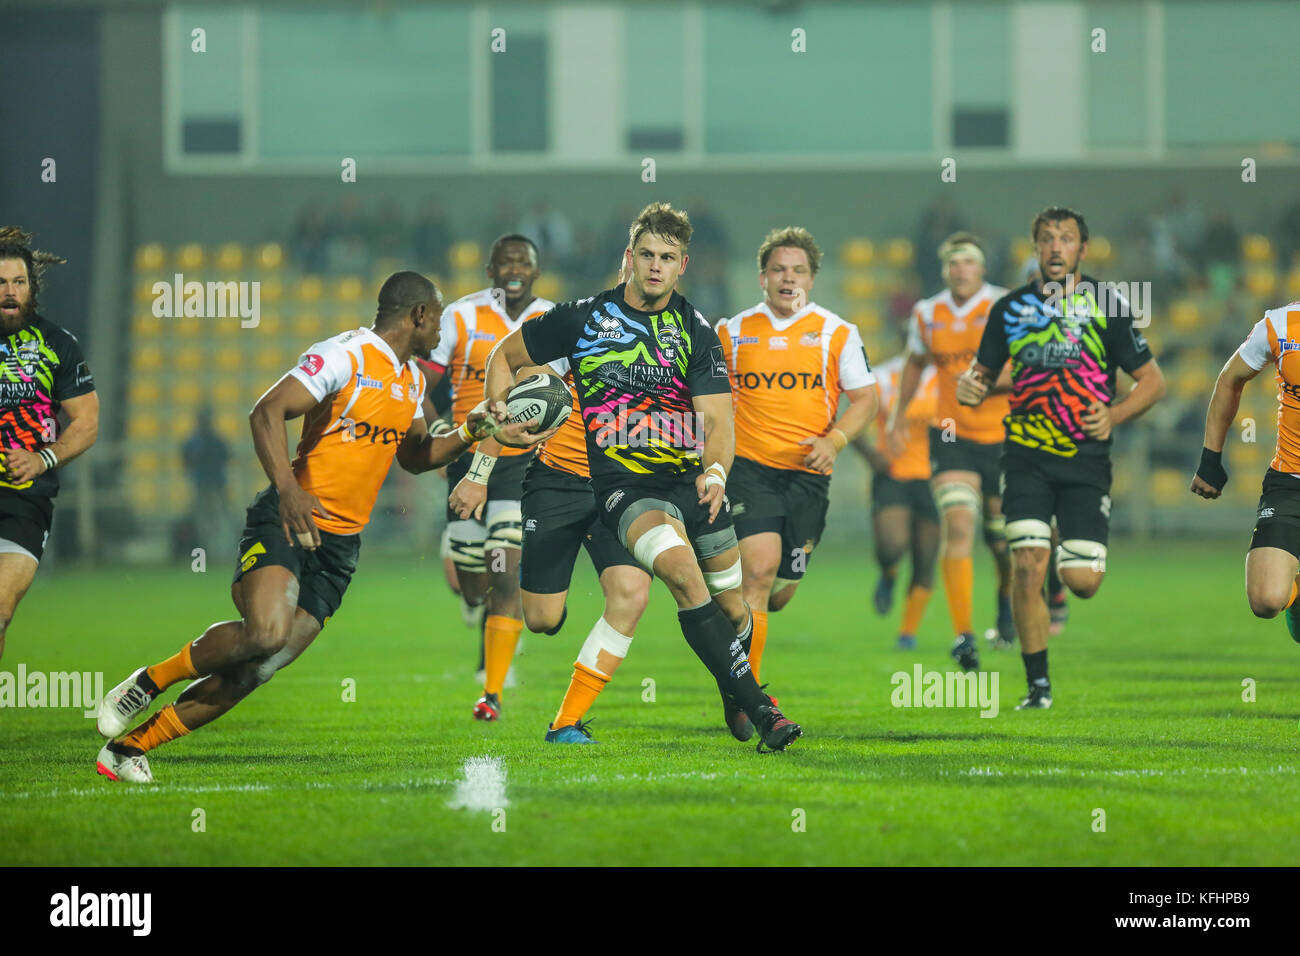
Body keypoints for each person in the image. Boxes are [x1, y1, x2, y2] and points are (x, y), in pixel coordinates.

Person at [94, 273, 544, 783]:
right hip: (289, 521)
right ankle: (149, 681)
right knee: (265, 633)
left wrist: (474, 428)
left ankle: (130, 747)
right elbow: (266, 412)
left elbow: (417, 456)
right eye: (437, 318)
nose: (441, 330)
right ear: (418, 315)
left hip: (339, 548)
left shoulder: (412, 379)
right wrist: (288, 491)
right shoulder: (345, 354)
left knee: (258, 668)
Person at [488, 202, 802, 751]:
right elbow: (505, 354)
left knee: (735, 607)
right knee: (679, 578)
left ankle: (737, 691)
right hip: (627, 489)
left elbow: (720, 423)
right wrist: (500, 415)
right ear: (629, 258)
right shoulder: (584, 317)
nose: (656, 266)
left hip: (690, 483)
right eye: (648, 255)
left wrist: (717, 474)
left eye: (669, 258)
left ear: (684, 265)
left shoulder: (696, 330)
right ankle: (763, 709)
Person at [958, 208, 1165, 709]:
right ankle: (1039, 687)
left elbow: (1154, 382)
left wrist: (1114, 416)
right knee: (1026, 564)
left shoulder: (1109, 307)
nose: (1055, 247)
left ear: (1082, 250)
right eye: (1047, 238)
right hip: (1024, 455)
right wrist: (971, 387)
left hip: (1086, 460)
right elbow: (981, 375)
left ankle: (1064, 579)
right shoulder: (1009, 309)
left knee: (1084, 582)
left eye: (1066, 239)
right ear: (1034, 246)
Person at [715, 226, 877, 718]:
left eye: (798, 270)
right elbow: (709, 399)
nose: (789, 278)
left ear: (812, 278)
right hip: (751, 470)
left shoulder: (838, 332)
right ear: (762, 277)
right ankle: (750, 698)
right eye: (779, 270)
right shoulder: (732, 331)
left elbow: (866, 398)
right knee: (757, 572)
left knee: (781, 590)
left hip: (808, 477)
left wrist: (834, 440)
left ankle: (747, 671)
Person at [428, 235, 554, 720]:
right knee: (472, 582)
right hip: (467, 454)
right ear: (490, 270)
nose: (515, 267)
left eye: (524, 260)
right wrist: (437, 432)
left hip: (524, 462)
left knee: (505, 568)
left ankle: (492, 692)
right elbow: (424, 381)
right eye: (506, 261)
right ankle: (466, 587)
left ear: (537, 271)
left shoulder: (551, 318)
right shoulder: (460, 316)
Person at [887, 232, 1012, 669]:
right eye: (954, 262)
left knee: (1003, 540)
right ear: (945, 270)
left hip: (1004, 434)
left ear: (982, 268)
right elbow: (914, 364)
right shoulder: (927, 313)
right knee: (958, 524)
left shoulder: (1007, 307)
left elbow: (1031, 369)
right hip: (950, 434)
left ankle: (1005, 606)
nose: (961, 269)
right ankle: (964, 635)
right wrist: (898, 417)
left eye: (969, 262)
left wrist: (987, 386)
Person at [0, 227, 98, 663]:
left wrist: (43, 459)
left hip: (24, 501)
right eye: (1, 283)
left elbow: (87, 420)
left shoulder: (56, 344)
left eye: (18, 282)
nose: (9, 292)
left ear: (32, 287)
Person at [1191, 298, 1300, 640]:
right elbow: (1230, 378)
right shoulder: (1281, 324)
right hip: (1290, 481)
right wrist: (1211, 458)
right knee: (1265, 600)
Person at [858, 351, 939, 650]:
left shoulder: (944, 380)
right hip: (892, 474)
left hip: (933, 478)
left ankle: (907, 633)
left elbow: (954, 429)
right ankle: (889, 572)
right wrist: (872, 456)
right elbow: (854, 418)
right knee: (892, 546)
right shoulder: (881, 378)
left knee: (925, 558)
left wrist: (948, 443)